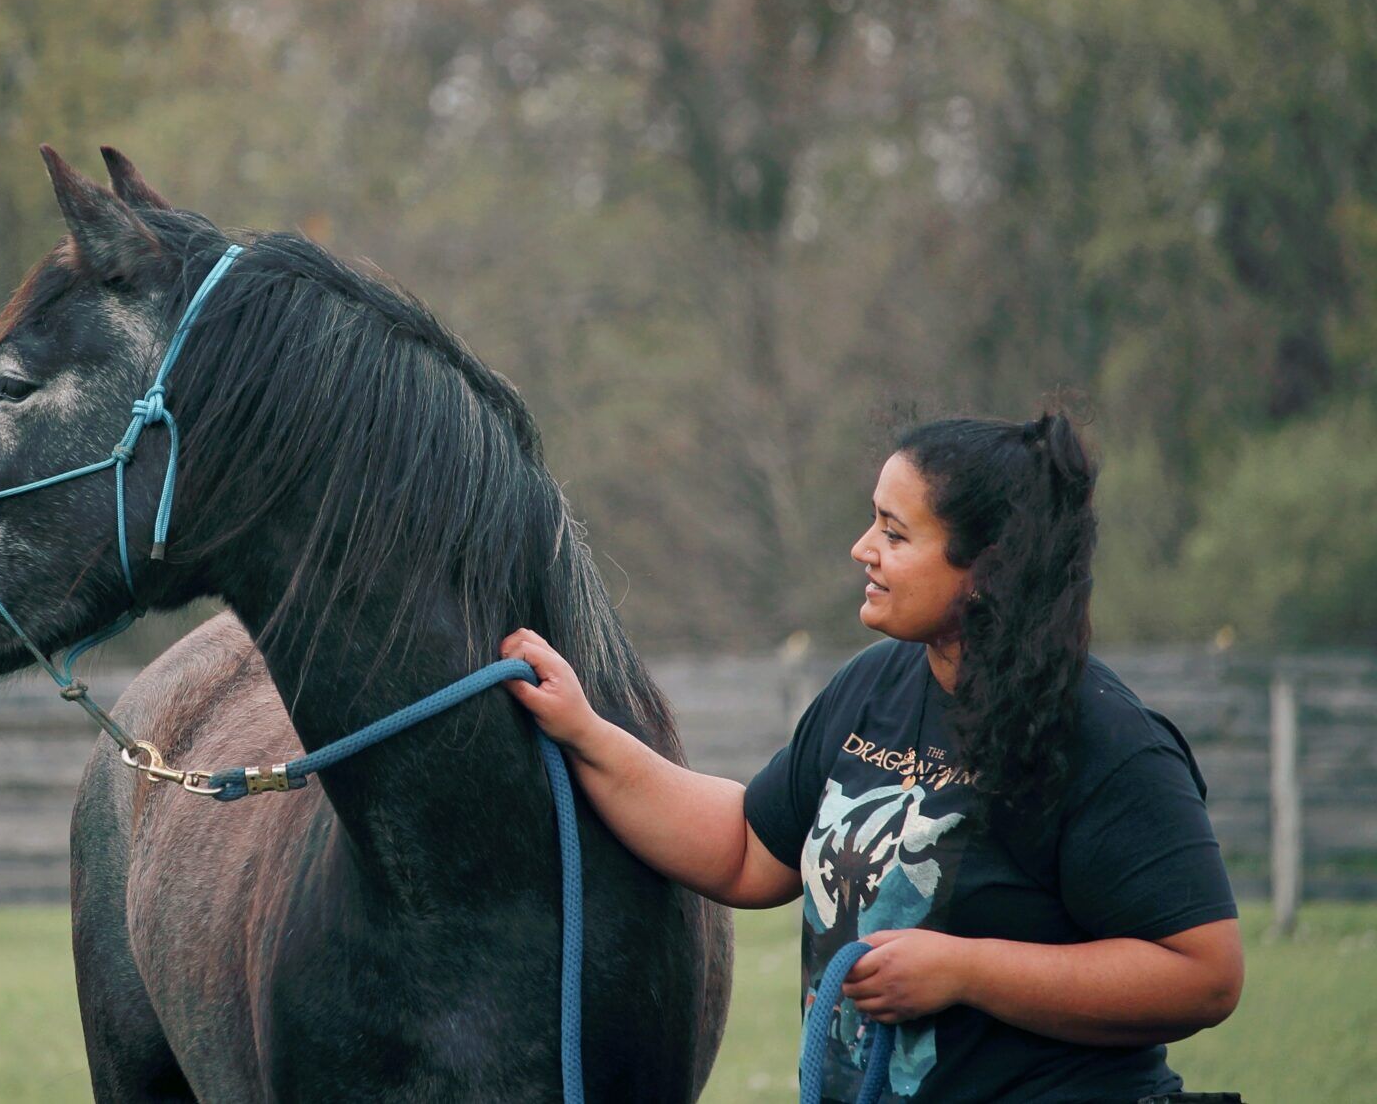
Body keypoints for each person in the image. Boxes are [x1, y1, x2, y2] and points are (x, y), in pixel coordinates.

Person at [502, 412, 1244, 1104]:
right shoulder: (870, 687)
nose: (863, 548)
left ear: (987, 569)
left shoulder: (1107, 739)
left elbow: (1205, 974)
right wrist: (586, 732)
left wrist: (966, 972)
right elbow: (744, 849)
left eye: (894, 532)